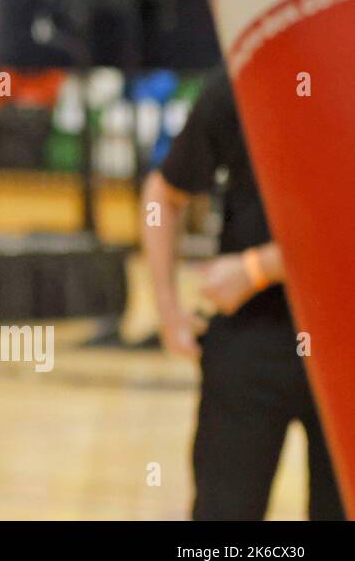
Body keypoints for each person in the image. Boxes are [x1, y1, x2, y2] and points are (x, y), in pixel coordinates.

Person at [141, 65, 344, 520]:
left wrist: (259, 268)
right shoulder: (242, 82)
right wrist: (168, 310)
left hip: (343, 347)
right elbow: (163, 192)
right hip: (248, 346)